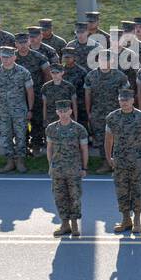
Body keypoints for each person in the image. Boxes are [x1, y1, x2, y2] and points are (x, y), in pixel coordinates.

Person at [105, 88, 141, 234]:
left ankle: (137, 220)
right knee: (122, 190)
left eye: (127, 100)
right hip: (120, 160)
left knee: (137, 190)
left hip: (138, 160)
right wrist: (109, 158)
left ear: (133, 100)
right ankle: (126, 219)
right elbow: (108, 139)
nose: (124, 103)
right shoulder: (112, 117)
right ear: (119, 101)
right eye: (121, 100)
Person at [45, 99, 88, 237]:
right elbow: (49, 148)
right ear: (57, 112)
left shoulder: (79, 129)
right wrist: (50, 165)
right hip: (57, 169)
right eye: (60, 111)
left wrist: (84, 168)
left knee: (75, 197)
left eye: (66, 111)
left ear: (71, 111)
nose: (63, 114)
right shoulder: (51, 128)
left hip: (74, 169)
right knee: (59, 197)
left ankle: (74, 224)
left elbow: (84, 150)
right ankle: (65, 224)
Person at [0, 46, 33, 173]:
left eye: (8, 57)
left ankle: (20, 161)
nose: (6, 60)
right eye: (3, 57)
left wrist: (30, 109)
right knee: (6, 136)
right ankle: (9, 162)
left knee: (21, 136)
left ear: (14, 57)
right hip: (3, 111)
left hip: (20, 110)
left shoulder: (23, 72)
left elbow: (30, 92)